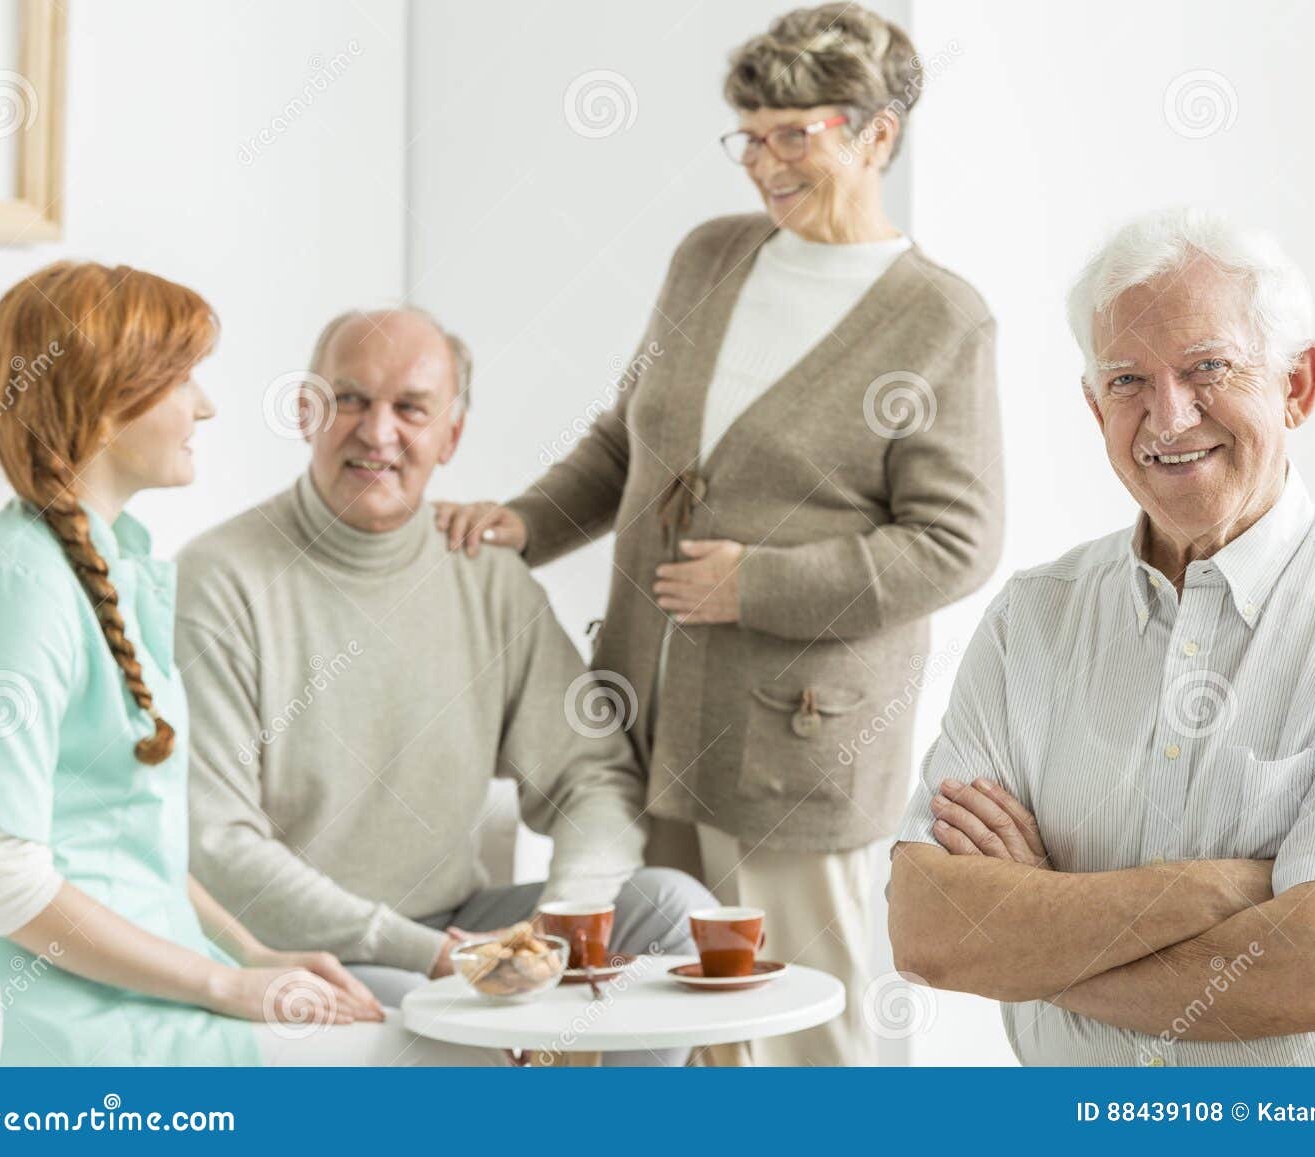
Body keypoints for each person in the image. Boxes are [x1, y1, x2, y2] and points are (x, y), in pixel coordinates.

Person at [429, 3, 1004, 1067]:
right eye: (751, 133)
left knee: (799, 1028)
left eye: (797, 134)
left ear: (877, 133)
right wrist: (523, 521)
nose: (765, 163)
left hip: (795, 735)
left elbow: (952, 541)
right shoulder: (710, 258)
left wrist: (760, 584)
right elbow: (627, 442)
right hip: (645, 703)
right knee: (647, 1005)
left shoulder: (939, 317)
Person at [889, 207, 1315, 1066]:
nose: (1167, 418)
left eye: (1207, 367)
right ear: (1095, 407)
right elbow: (929, 928)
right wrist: (1213, 889)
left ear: (1297, 387)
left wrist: (1036, 935)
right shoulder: (1032, 620)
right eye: (1128, 381)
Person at [177, 307, 714, 1066]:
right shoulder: (220, 577)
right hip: (300, 947)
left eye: (410, 408)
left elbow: (590, 769)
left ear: (450, 437)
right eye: (351, 399)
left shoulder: (483, 573)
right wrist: (436, 955)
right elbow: (218, 843)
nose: (378, 432)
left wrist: (565, 917)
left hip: (458, 920)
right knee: (462, 1034)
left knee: (673, 913)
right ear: (306, 410)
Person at [0, 261, 420, 1066]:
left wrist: (253, 956)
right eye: (181, 379)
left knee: (434, 1036)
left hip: (163, 1003)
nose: (205, 403)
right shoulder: (17, 584)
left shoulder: (110, 566)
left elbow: (139, 844)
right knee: (440, 1059)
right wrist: (222, 984)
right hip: (89, 1042)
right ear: (102, 399)